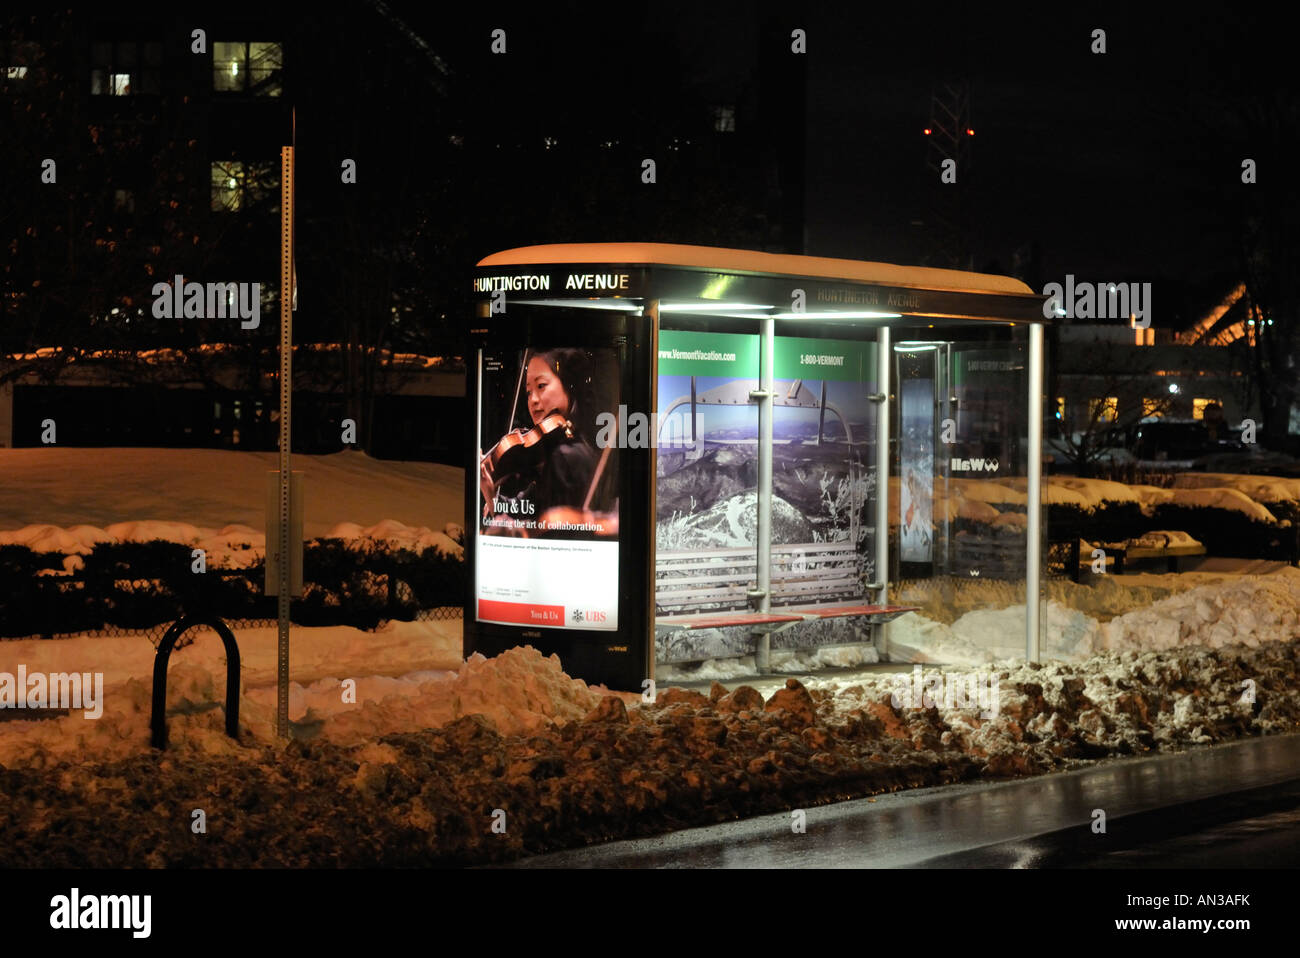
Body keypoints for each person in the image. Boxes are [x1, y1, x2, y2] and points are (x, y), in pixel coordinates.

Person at [479, 348, 603, 526]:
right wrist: (490, 494)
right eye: (528, 392)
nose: (533, 400)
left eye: (541, 386)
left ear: (569, 384)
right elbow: (528, 509)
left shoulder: (567, 455)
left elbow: (540, 529)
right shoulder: (559, 449)